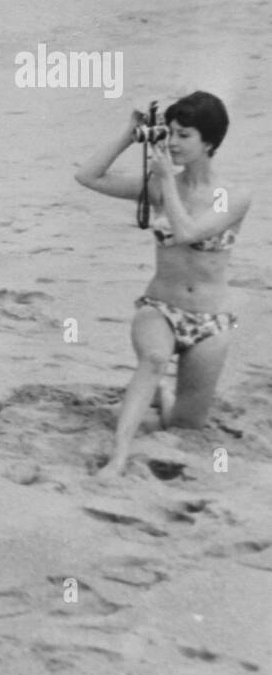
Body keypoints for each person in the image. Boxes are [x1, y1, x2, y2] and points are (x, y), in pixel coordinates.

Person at [75, 94, 251, 477]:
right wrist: (130, 133)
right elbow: (88, 176)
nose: (171, 143)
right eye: (169, 133)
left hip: (210, 320)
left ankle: (159, 396)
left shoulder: (233, 196)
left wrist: (167, 180)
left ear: (209, 142)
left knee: (186, 424)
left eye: (183, 135)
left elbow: (187, 231)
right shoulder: (157, 185)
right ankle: (119, 455)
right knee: (153, 358)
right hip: (161, 307)